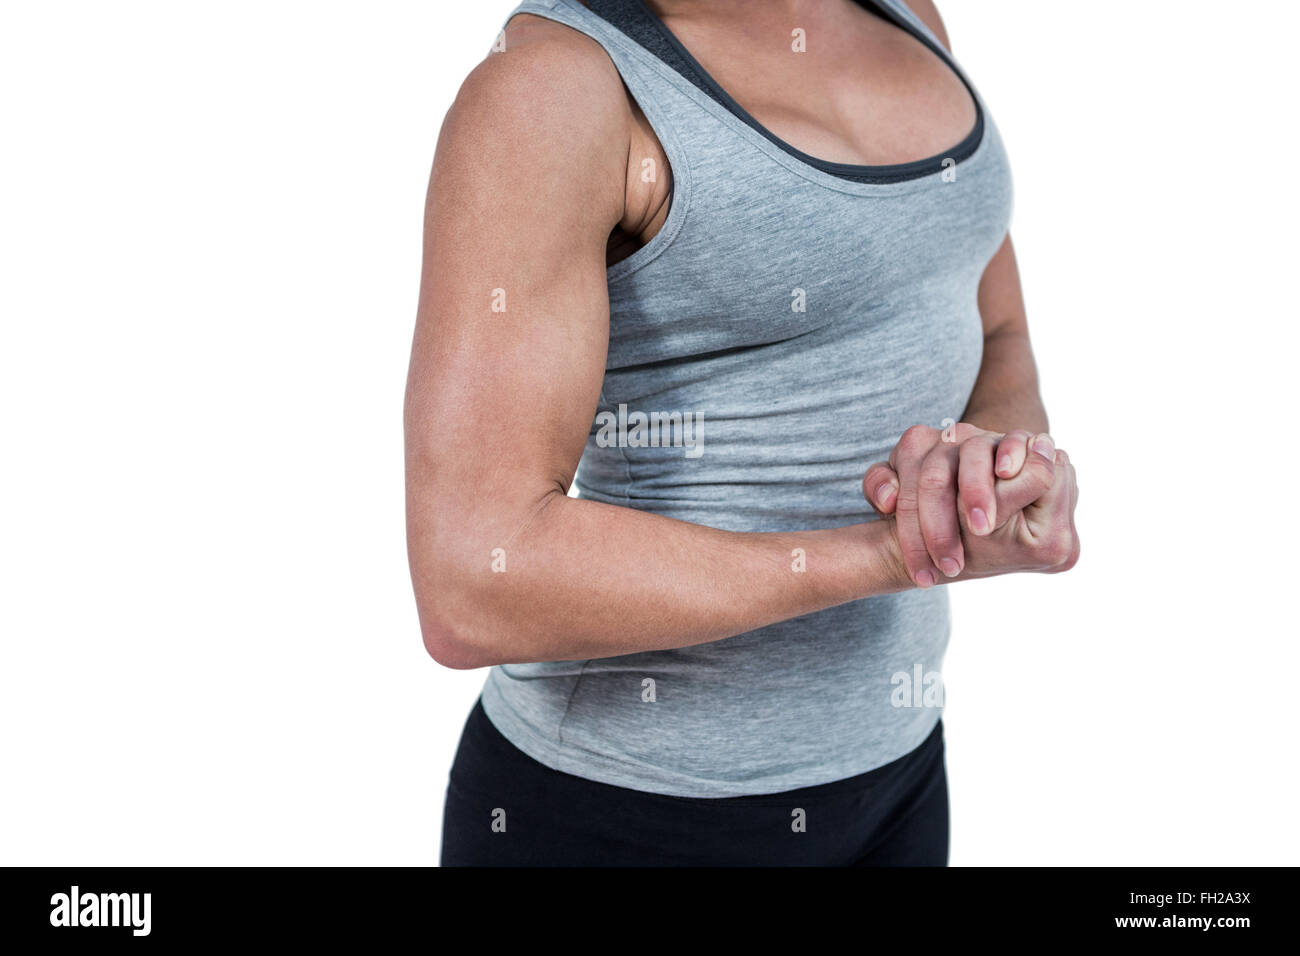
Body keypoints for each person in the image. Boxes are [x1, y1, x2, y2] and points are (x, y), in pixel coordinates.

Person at [405, 0, 1080, 866]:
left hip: (897, 776)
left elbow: (996, 329)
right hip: (625, 810)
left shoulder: (910, 16)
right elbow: (472, 582)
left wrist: (1002, 468)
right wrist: (891, 554)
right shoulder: (551, 90)